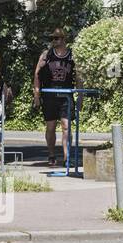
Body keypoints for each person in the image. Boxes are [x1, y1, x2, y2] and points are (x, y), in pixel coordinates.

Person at [34, 27, 77, 167]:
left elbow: (79, 76)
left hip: (66, 95)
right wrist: (36, 95)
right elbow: (37, 75)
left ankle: (67, 157)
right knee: (51, 127)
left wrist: (80, 97)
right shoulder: (46, 55)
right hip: (49, 96)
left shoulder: (72, 55)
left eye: (56, 38)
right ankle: (51, 155)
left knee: (66, 127)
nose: (54, 41)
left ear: (64, 39)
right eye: (52, 38)